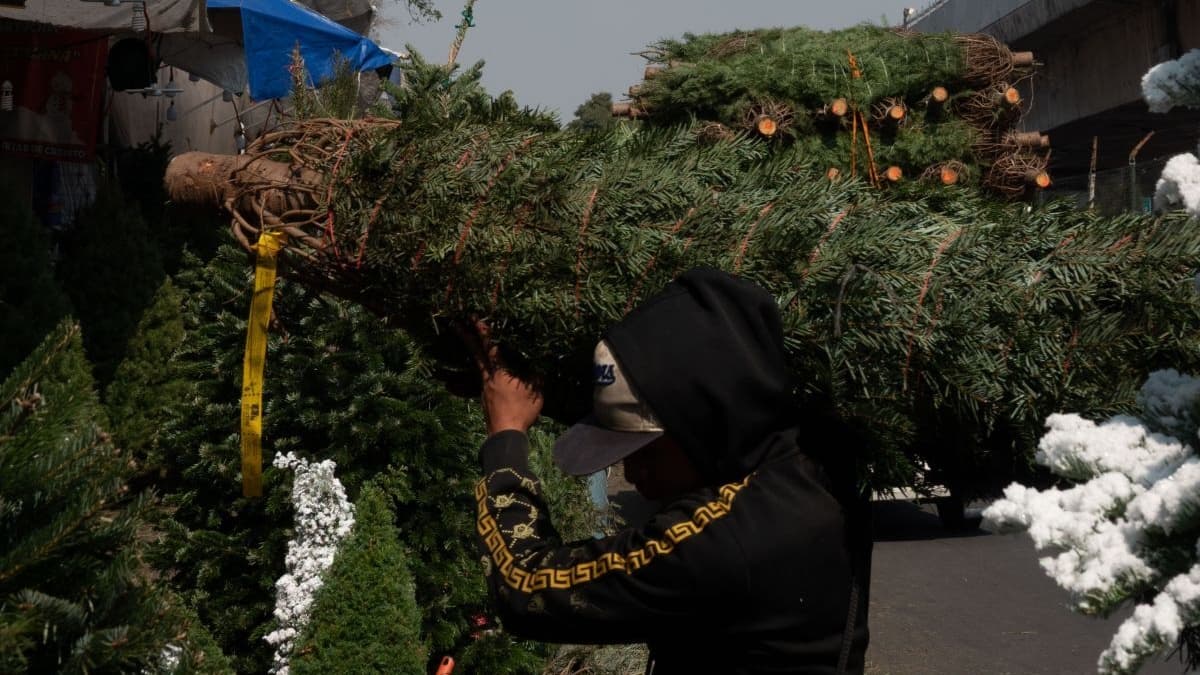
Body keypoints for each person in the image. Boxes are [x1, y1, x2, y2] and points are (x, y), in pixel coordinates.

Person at [464, 267, 872, 674]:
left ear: (703, 425)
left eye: (647, 451)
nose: (632, 472)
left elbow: (523, 584)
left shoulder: (719, 542)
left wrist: (506, 435)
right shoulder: (807, 462)